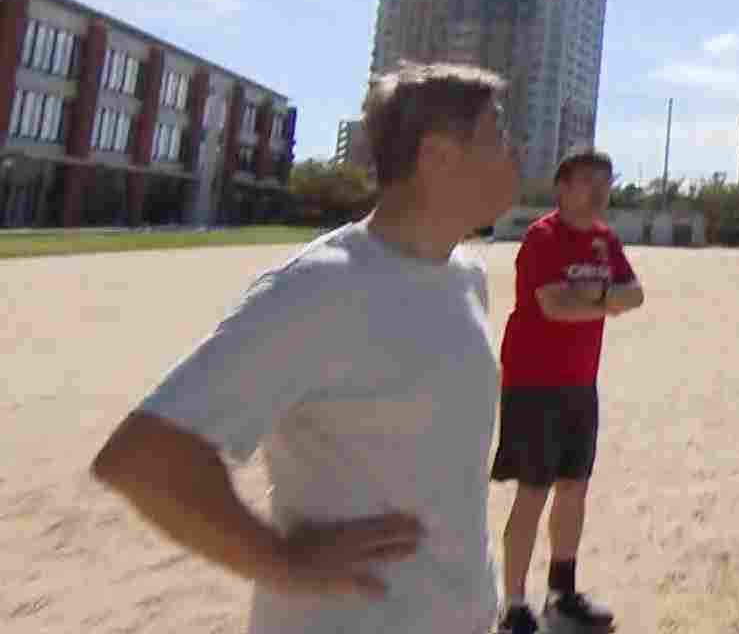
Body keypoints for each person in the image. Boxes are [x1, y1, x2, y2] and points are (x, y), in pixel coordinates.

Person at [90, 63, 519, 633]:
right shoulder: (327, 287)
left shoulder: (466, 279)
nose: (515, 156)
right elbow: (145, 455)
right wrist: (280, 561)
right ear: (438, 155)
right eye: (498, 136)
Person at [490, 146, 645, 634]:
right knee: (533, 492)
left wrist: (593, 297)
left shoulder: (604, 239)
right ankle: (514, 604)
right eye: (588, 181)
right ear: (563, 186)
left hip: (581, 383)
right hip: (534, 382)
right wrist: (608, 300)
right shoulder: (543, 238)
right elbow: (554, 307)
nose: (599, 191)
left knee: (574, 489)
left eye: (606, 181)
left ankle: (562, 593)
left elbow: (635, 294)